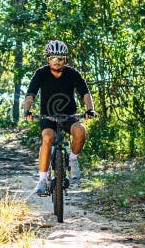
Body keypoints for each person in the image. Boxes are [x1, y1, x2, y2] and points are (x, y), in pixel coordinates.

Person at [22, 40, 97, 196]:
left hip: (69, 115)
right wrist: (26, 111)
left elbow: (85, 93)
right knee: (48, 137)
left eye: (61, 58)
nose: (57, 61)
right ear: (48, 59)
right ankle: (42, 180)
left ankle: (72, 160)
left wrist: (90, 109)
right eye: (54, 58)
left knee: (81, 131)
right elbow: (31, 94)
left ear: (65, 60)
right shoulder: (41, 73)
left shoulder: (73, 73)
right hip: (47, 116)